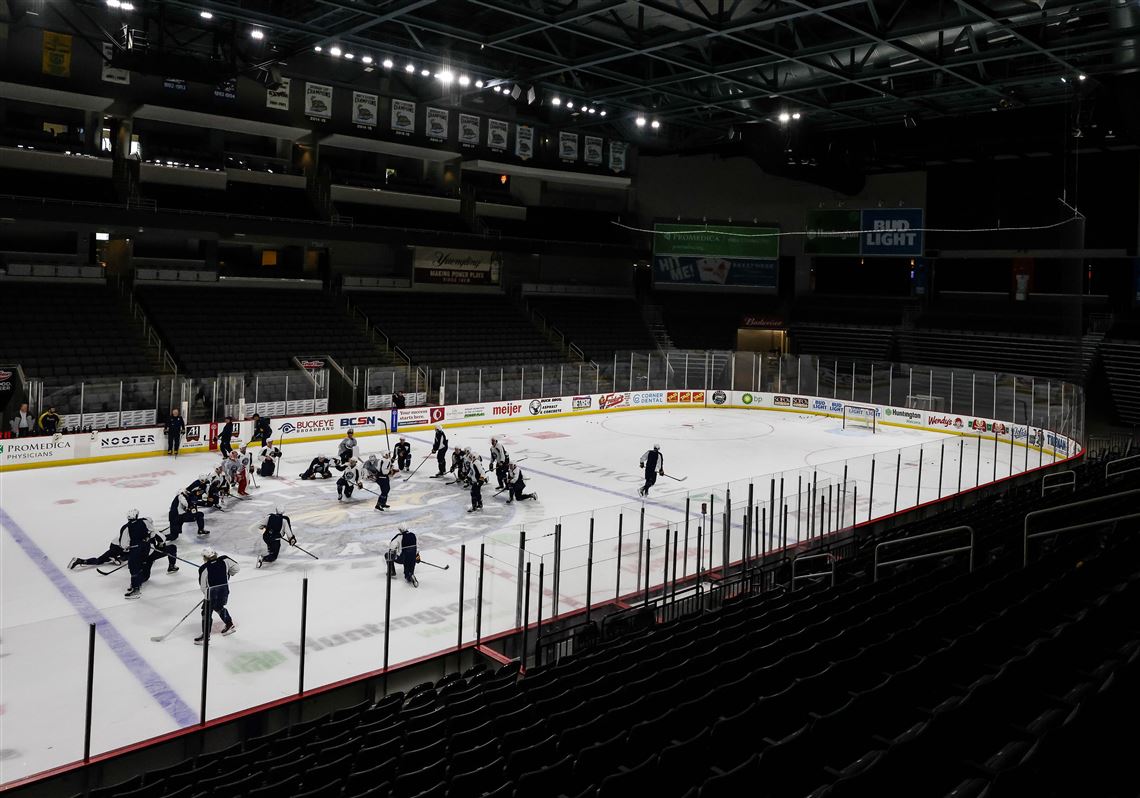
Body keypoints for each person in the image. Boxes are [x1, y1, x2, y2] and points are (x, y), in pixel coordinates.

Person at [123, 510, 177, 599]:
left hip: (139, 555)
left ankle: (135, 585)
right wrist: (160, 547)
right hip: (150, 554)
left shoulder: (126, 528)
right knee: (172, 548)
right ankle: (172, 566)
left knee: (139, 571)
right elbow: (162, 539)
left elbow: (124, 545)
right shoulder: (149, 527)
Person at [196, 547, 238, 643]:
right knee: (219, 606)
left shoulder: (204, 568)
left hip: (212, 594)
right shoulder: (225, 559)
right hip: (224, 591)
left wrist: (207, 597)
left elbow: (203, 586)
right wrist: (228, 573)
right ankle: (229, 624)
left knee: (206, 612)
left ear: (205, 557)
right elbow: (236, 568)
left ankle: (206, 636)